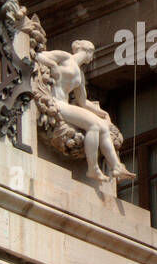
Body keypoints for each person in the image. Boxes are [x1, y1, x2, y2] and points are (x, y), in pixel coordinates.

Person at [35, 40, 134, 184]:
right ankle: (93, 169)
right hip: (56, 102)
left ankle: (116, 166)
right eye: (92, 53)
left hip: (65, 104)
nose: (92, 57)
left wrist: (101, 112)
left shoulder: (80, 74)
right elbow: (38, 55)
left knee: (102, 126)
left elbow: (82, 101)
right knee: (93, 125)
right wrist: (53, 65)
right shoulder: (65, 57)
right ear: (88, 51)